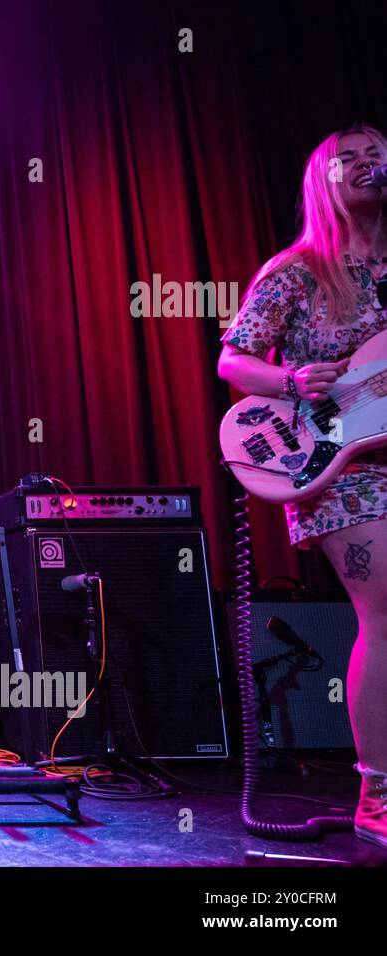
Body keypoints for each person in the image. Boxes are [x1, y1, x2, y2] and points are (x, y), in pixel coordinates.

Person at [218, 124, 387, 849]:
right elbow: (233, 361)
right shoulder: (298, 270)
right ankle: (378, 793)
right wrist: (291, 379)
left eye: (378, 151)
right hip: (336, 461)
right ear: (323, 180)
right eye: (348, 157)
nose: (368, 163)